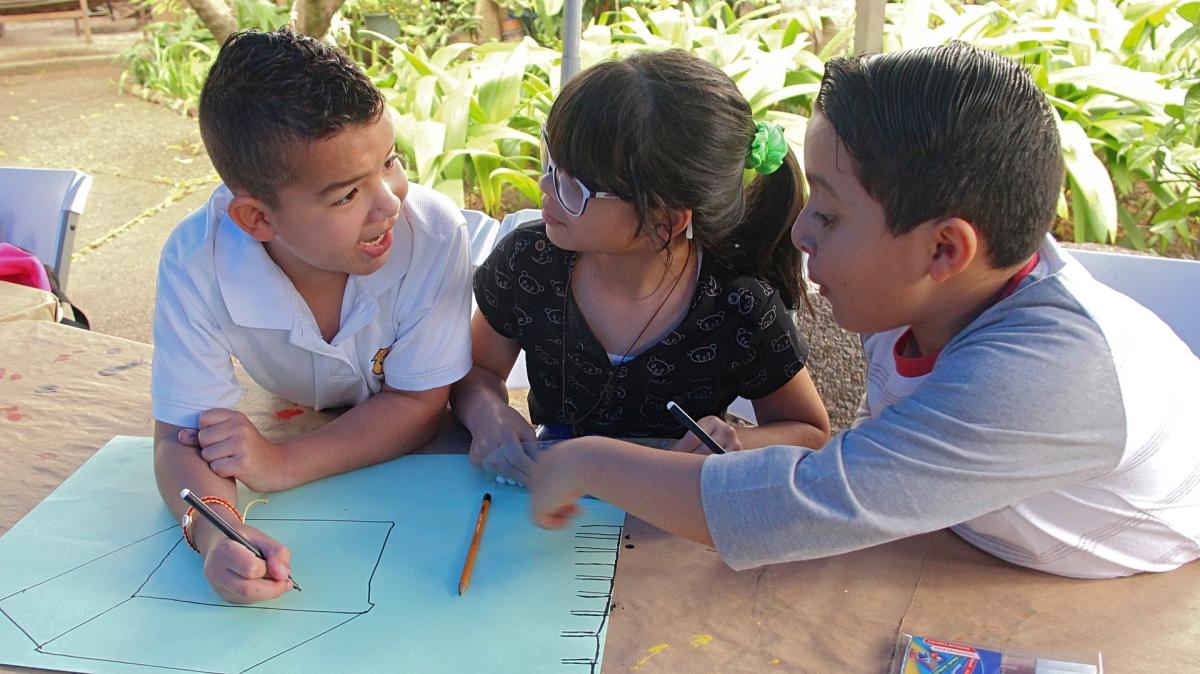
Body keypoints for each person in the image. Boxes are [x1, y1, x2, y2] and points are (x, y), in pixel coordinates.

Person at [511, 41, 1200, 579]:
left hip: (1127, 582)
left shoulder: (1047, 381)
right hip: (973, 535)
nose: (801, 230)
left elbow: (796, 503)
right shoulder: (927, 295)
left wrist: (588, 463)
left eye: (832, 214)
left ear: (944, 249)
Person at [151, 28, 472, 602]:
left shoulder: (432, 232)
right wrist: (217, 531)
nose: (390, 201)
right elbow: (180, 438)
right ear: (255, 220)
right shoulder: (195, 261)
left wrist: (279, 463)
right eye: (347, 195)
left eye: (390, 162)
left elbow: (422, 404)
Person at [451, 49, 831, 476]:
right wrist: (488, 414)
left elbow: (809, 431)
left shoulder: (739, 306)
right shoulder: (530, 263)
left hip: (671, 505)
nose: (544, 186)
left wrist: (738, 442)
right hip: (551, 495)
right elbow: (476, 372)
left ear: (663, 222)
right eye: (550, 161)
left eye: (574, 186)